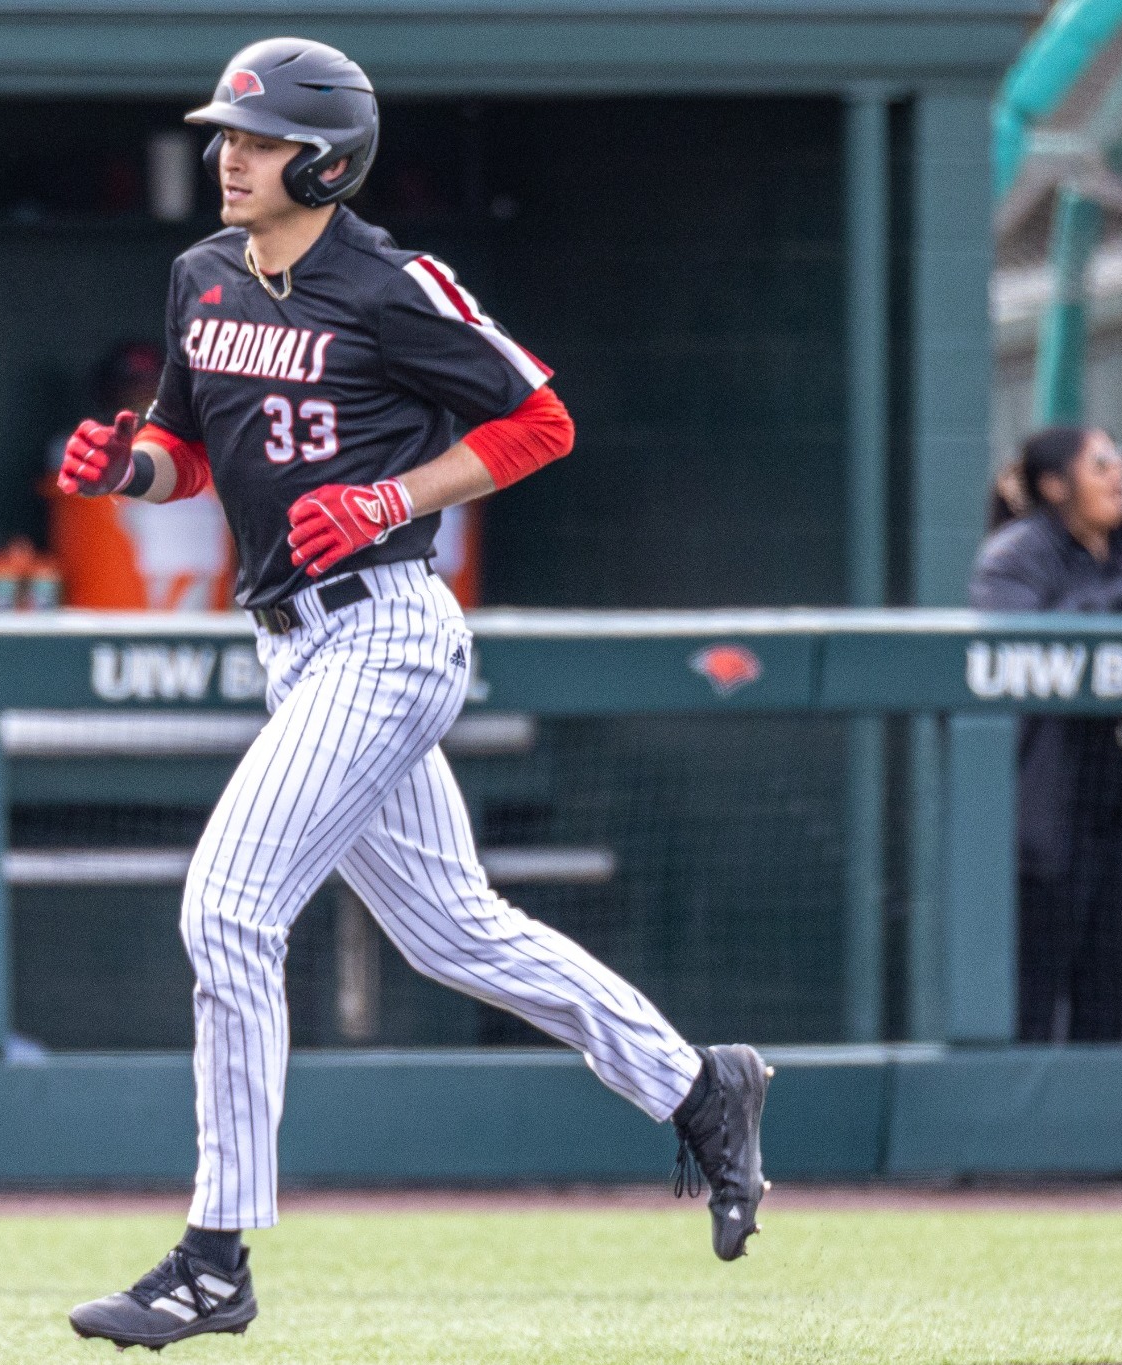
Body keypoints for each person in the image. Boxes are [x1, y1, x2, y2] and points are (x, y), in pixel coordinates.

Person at [56, 39, 771, 1351]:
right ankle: (695, 1085)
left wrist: (391, 498)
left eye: (257, 139)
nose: (228, 155)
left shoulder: (391, 283)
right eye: (225, 134)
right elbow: (187, 450)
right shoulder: (202, 274)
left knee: (226, 912)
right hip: (292, 646)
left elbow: (541, 422)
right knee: (454, 933)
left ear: (326, 161)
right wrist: (125, 472)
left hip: (385, 630)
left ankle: (215, 1258)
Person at [970, 425, 1122, 1042]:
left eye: (1119, 460)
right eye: (1099, 464)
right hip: (1053, 810)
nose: (1118, 474)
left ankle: (1099, 1107)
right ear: (1055, 485)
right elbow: (1019, 641)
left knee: (1106, 995)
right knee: (1034, 999)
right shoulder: (1018, 553)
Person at [47, 341, 233, 610]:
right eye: (131, 386)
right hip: (107, 605)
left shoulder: (206, 450)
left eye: (151, 386)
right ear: (109, 392)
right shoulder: (78, 443)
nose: (142, 396)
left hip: (202, 608)